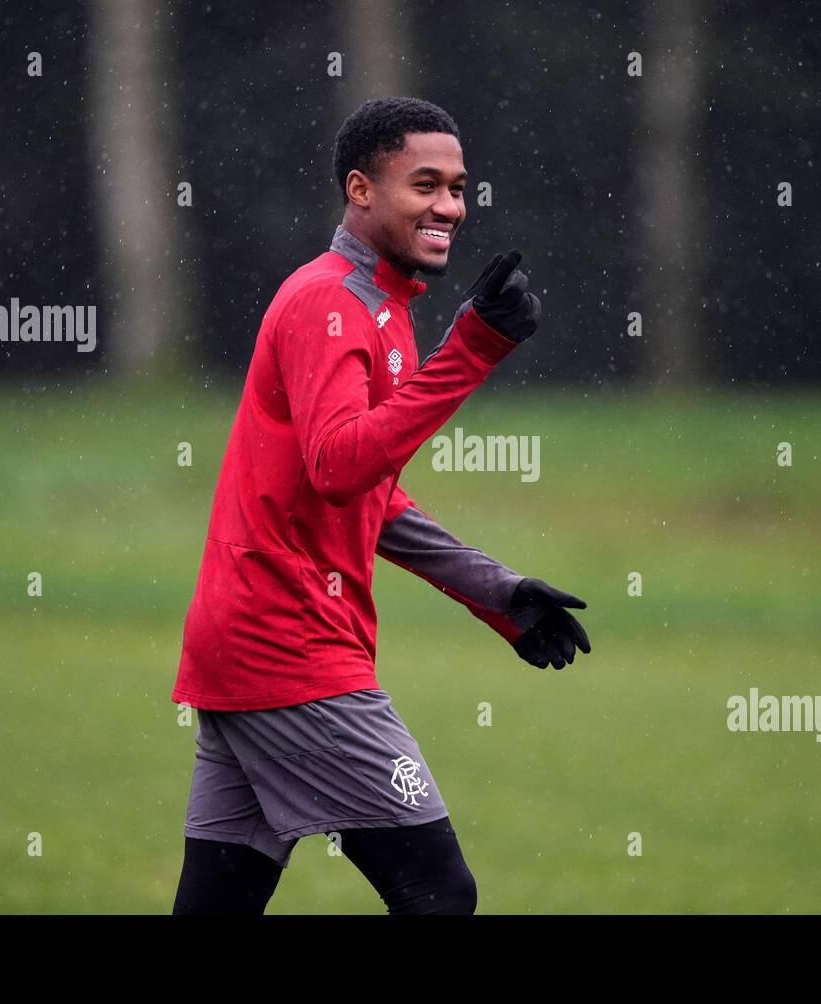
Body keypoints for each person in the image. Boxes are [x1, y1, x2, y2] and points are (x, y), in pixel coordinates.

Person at [171, 96, 591, 916]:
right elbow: (338, 466)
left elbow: (372, 499)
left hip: (249, 649)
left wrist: (498, 594)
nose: (449, 207)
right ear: (361, 191)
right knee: (438, 890)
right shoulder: (331, 303)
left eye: (460, 188)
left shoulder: (382, 310)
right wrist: (471, 350)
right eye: (424, 185)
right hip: (292, 653)